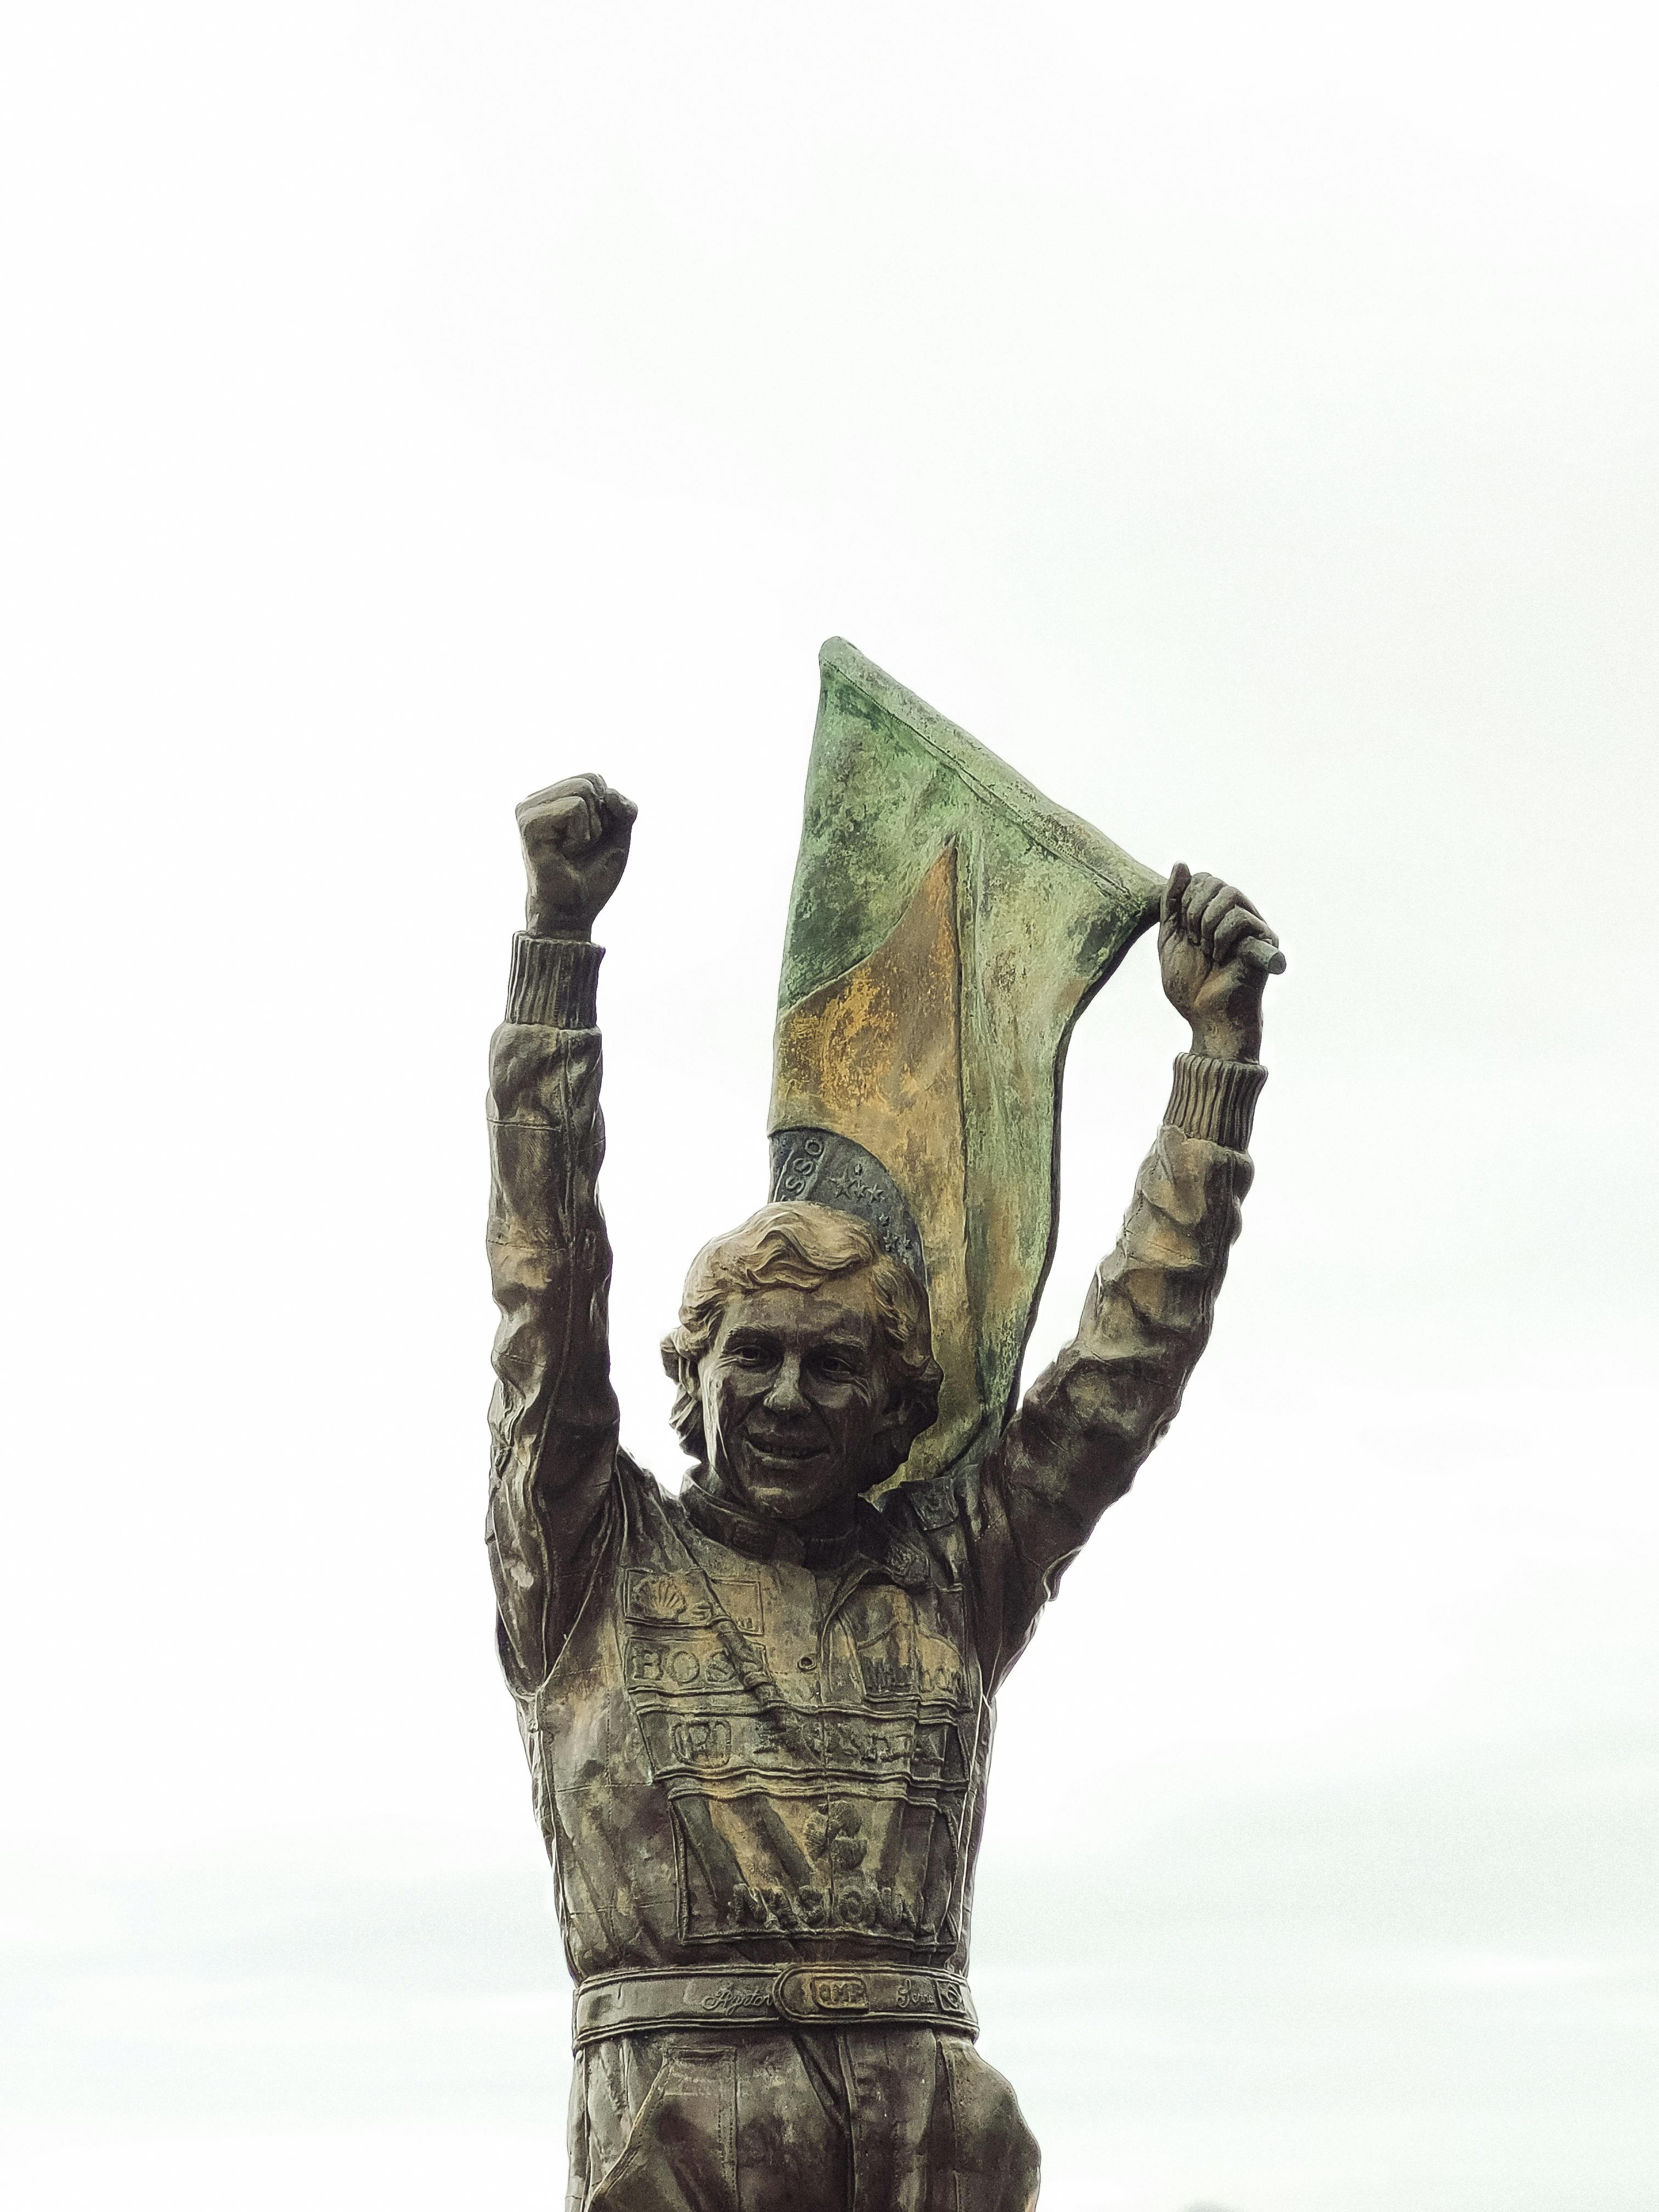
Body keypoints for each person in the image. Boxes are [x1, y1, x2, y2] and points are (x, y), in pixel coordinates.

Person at [486, 773, 1284, 2212]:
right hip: (679, 2129)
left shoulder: (959, 1563)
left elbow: (1130, 1355)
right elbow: (548, 1266)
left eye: (836, 1368)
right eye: (760, 1359)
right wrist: (557, 943)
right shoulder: (589, 1563)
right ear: (699, 1373)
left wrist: (1216, 1060)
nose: (789, 1398)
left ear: (899, 1407)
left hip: (930, 2128)